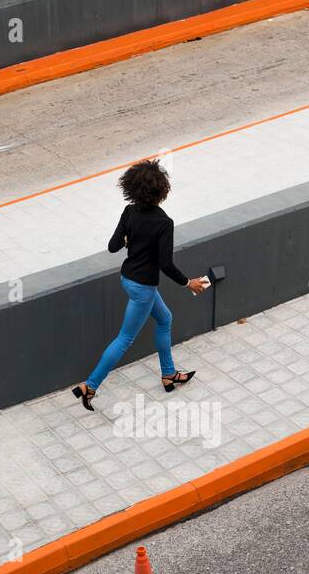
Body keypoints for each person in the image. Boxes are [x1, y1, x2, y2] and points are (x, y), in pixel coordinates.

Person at [72, 159, 208, 411]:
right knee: (124, 339)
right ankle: (89, 386)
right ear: (162, 190)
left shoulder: (129, 212)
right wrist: (189, 283)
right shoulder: (163, 223)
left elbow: (113, 246)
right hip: (143, 288)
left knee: (165, 318)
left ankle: (169, 374)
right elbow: (165, 264)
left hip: (128, 279)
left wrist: (127, 239)